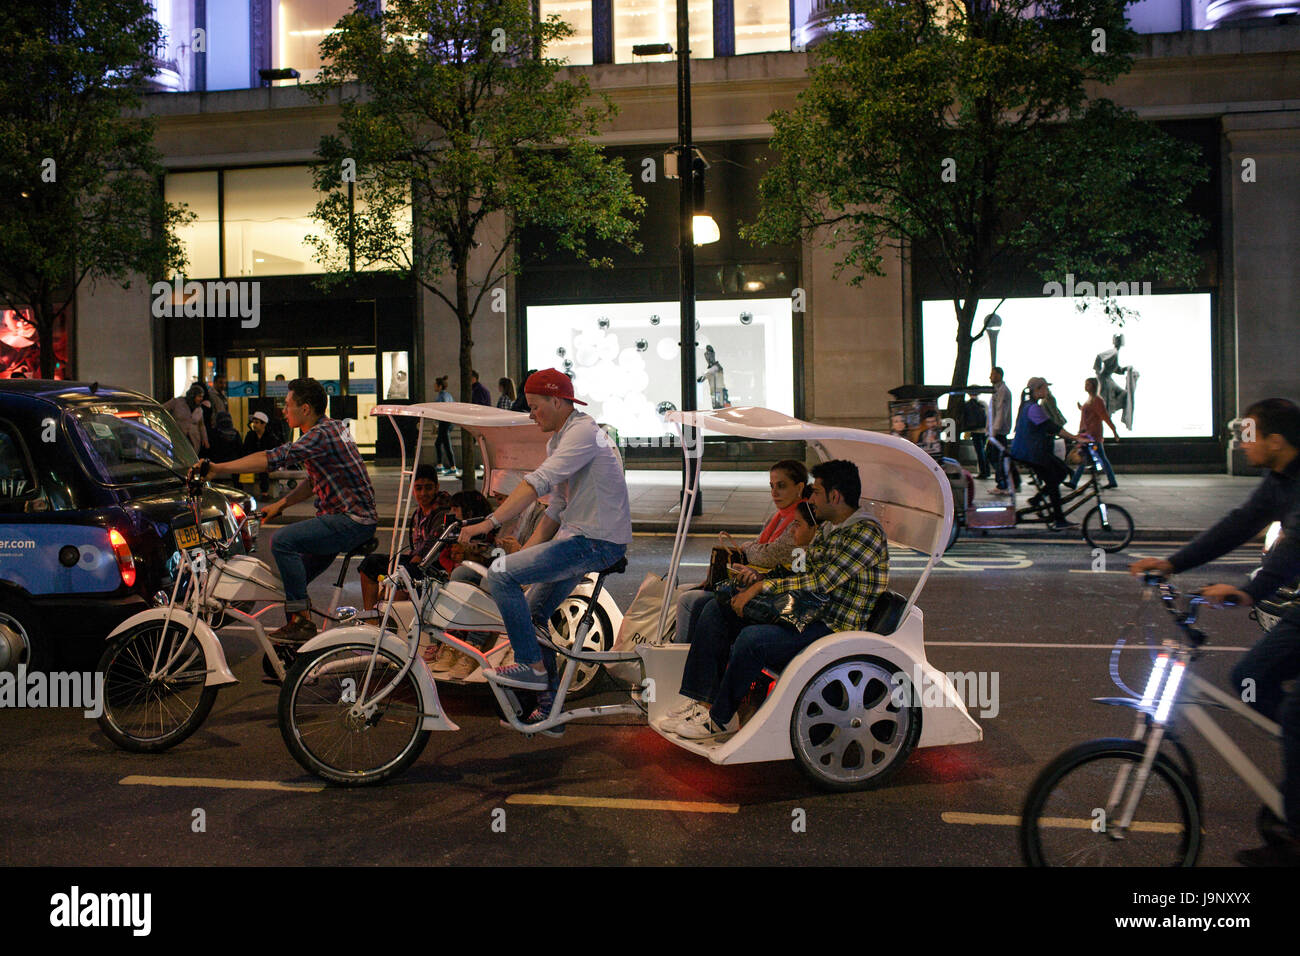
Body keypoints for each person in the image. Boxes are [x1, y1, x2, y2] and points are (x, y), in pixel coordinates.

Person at [1130, 398, 1300, 863]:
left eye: (1250, 435)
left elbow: (1293, 550)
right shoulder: (1280, 479)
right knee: (1251, 677)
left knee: (1297, 715)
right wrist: (1172, 563)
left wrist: (1250, 590)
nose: (1243, 443)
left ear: (1276, 441)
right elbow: (1238, 524)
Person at [661, 459, 889, 739]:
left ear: (835, 496)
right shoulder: (831, 527)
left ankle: (721, 719)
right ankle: (702, 701)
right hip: (807, 613)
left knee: (753, 639)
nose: (811, 497)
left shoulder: (865, 533)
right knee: (715, 609)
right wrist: (758, 579)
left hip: (832, 628)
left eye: (815, 491)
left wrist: (763, 587)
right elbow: (802, 567)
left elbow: (821, 581)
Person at [456, 368, 632, 726]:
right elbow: (556, 509)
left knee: (500, 575)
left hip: (596, 541)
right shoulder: (560, 438)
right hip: (579, 537)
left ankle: (531, 669)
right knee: (532, 612)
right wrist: (524, 558)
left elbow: (537, 484)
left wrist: (488, 523)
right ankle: (547, 708)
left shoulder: (582, 432)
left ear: (556, 400)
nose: (531, 413)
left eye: (535, 406)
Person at [195, 377, 377, 642]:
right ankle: (295, 644)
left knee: (282, 541)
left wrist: (218, 468)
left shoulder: (319, 435)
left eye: (288, 404)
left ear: (305, 409)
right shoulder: (333, 427)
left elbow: (271, 459)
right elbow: (315, 481)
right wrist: (280, 506)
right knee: (293, 582)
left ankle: (302, 623)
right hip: (350, 519)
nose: (283, 409)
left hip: (351, 521)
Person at [675, 459, 812, 646]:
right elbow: (762, 551)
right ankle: (682, 651)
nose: (774, 493)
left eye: (781, 486)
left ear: (799, 487)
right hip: (755, 583)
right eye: (772, 486)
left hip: (771, 595)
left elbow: (768, 554)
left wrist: (748, 548)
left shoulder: (801, 520)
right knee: (684, 591)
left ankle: (680, 653)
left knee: (691, 600)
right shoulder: (778, 516)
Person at [357, 464, 442, 610]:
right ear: (412, 489)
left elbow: (432, 544)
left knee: (402, 576)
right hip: (416, 561)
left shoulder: (441, 512)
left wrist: (396, 575)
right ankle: (370, 615)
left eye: (428, 488)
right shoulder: (418, 513)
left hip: (431, 565)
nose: (423, 493)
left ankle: (389, 617)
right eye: (419, 488)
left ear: (437, 487)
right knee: (369, 564)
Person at [1009, 376, 1077, 530]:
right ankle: (1059, 520)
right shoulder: (1033, 408)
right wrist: (1075, 437)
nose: (1047, 390)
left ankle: (1037, 500)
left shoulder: (1029, 405)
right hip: (1030, 453)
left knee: (1061, 470)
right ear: (1037, 390)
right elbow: (1052, 427)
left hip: (1032, 451)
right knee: (1054, 480)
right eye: (1045, 388)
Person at [1065, 377, 1120, 489]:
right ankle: (1074, 482)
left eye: (1088, 384)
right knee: (1085, 458)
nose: (1086, 386)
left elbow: (1104, 416)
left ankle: (1075, 482)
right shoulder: (1091, 399)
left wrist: (1114, 431)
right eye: (1086, 384)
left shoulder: (1097, 400)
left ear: (1094, 386)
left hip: (1093, 435)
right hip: (1087, 435)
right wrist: (1082, 408)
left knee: (1097, 458)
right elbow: (1090, 413)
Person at [986, 366, 1020, 495]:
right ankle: (1012, 482)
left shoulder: (1003, 391)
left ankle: (1003, 484)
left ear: (999, 375)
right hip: (996, 431)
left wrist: (994, 430)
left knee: (997, 457)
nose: (990, 377)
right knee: (1002, 457)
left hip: (998, 432)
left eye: (993, 374)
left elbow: (1001, 411)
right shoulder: (997, 390)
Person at [163, 384, 210, 457]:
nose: (201, 399)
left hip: (193, 441)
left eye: (202, 396)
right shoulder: (177, 402)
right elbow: (163, 409)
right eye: (199, 396)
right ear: (192, 395)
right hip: (177, 437)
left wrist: (205, 439)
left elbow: (201, 425)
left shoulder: (199, 409)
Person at [242, 410, 281, 494]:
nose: (254, 425)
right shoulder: (250, 435)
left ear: (263, 424)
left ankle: (264, 493)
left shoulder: (270, 436)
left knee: (263, 469)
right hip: (252, 460)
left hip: (265, 461)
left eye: (257, 423)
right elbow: (245, 449)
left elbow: (272, 452)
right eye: (253, 422)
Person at [433, 375, 456, 475]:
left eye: (435, 385)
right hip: (448, 422)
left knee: (446, 444)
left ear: (440, 386)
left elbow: (440, 410)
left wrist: (437, 423)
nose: (434, 387)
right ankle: (440, 464)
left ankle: (452, 466)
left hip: (444, 422)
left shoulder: (441, 396)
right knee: (439, 443)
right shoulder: (448, 395)